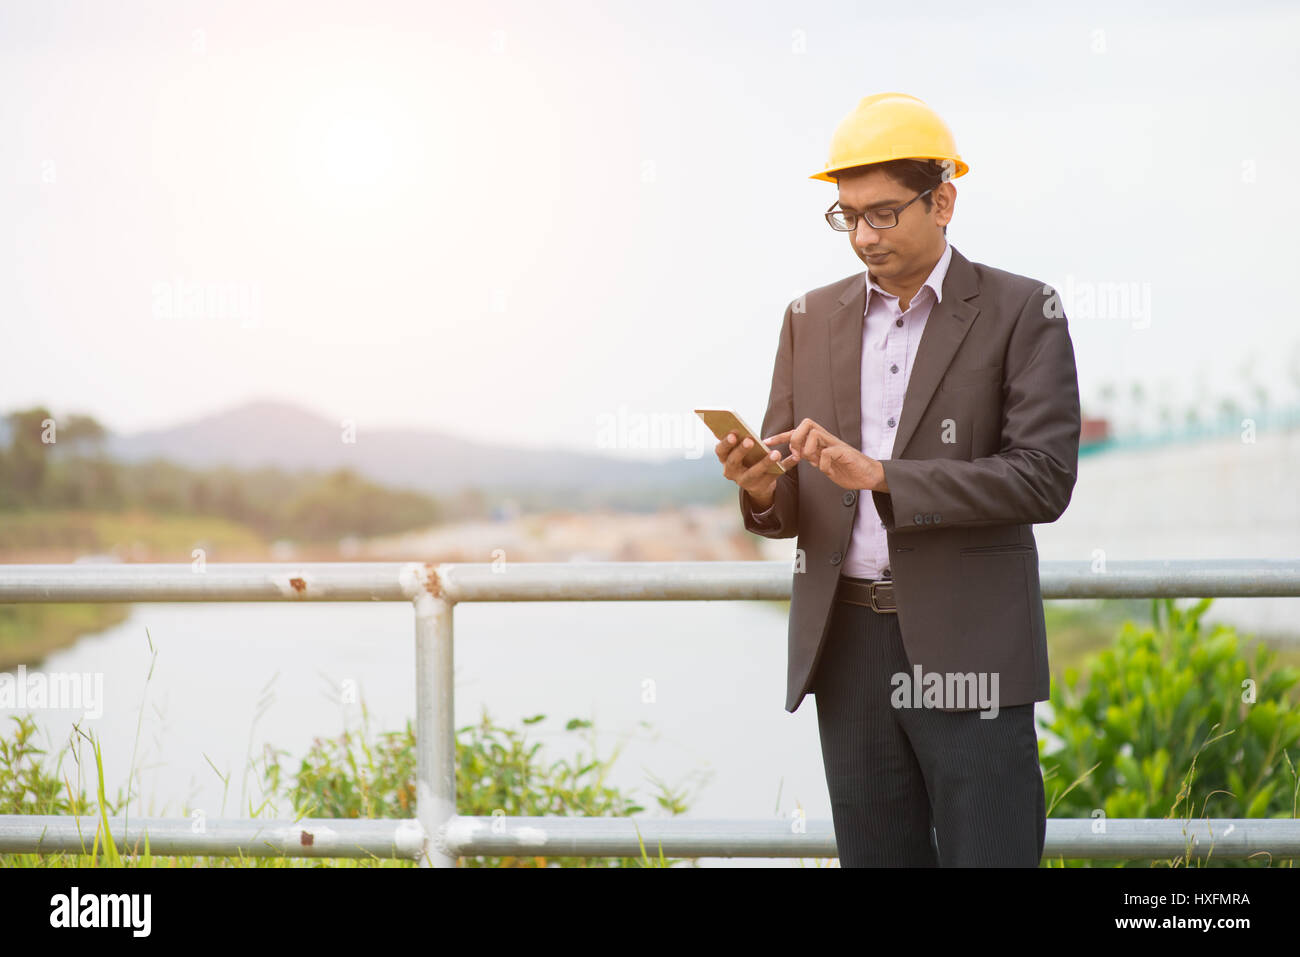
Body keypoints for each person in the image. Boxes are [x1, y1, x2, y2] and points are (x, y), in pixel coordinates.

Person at [714, 92, 1081, 866]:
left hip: (972, 639)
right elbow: (788, 495)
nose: (862, 235)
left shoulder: (1023, 310)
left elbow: (1043, 479)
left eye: (882, 214)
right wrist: (759, 487)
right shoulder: (806, 318)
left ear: (943, 199)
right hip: (846, 644)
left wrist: (884, 474)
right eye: (847, 216)